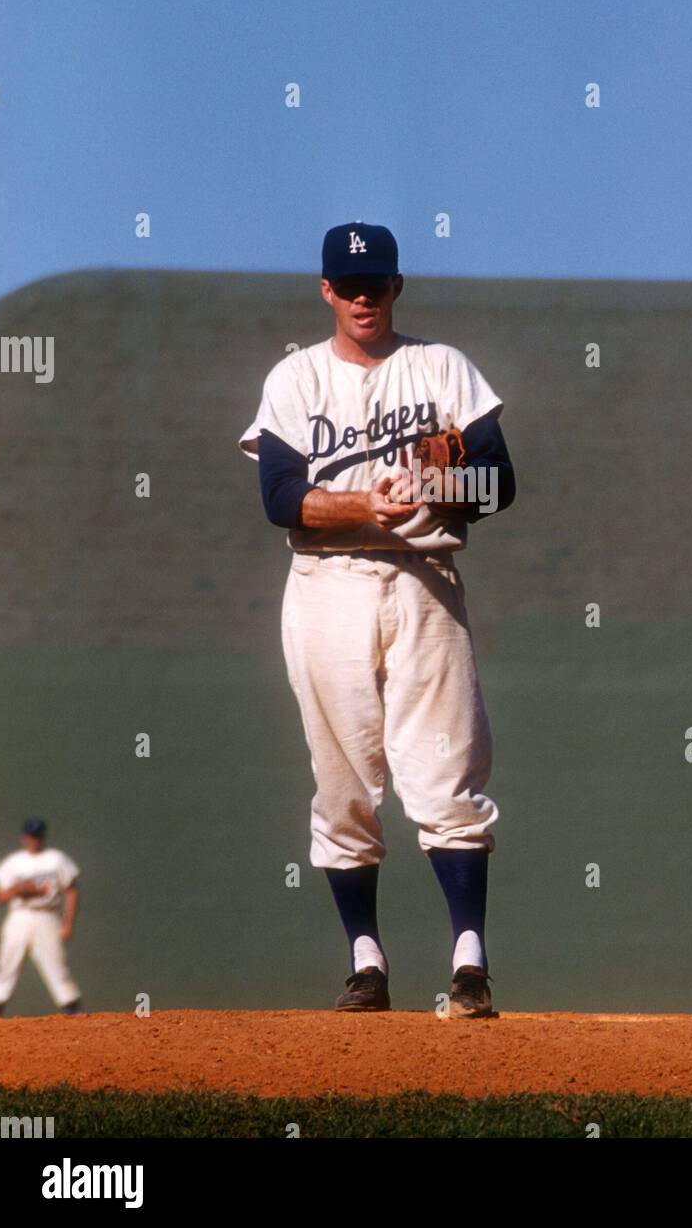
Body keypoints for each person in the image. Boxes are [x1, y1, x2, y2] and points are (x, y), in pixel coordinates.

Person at [239, 221, 516, 1016]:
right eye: (347, 286)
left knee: (447, 772)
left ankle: (469, 961)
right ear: (325, 290)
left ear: (397, 286)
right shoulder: (296, 379)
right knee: (343, 780)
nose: (363, 298)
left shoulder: (442, 369)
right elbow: (279, 499)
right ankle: (366, 961)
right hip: (326, 585)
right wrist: (366, 499)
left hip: (426, 581)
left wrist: (442, 489)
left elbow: (499, 486)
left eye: (376, 284)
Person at [0, 819, 82, 1017]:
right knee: (7, 963)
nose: (34, 840)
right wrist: (18, 889)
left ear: (43, 837)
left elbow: (71, 891)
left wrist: (67, 924)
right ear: (24, 837)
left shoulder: (57, 858)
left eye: (37, 835)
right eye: (30, 836)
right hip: (19, 916)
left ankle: (73, 1012)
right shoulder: (12, 861)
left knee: (57, 966)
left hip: (47, 916)